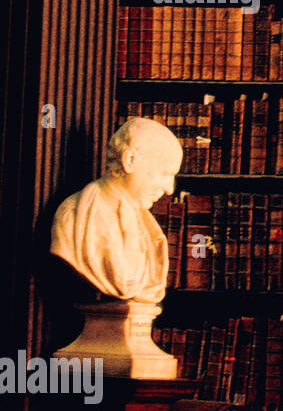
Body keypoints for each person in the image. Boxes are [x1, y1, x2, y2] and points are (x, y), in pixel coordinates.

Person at [49, 117, 183, 304]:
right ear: (130, 160)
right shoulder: (72, 217)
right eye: (165, 174)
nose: (170, 189)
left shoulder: (152, 233)